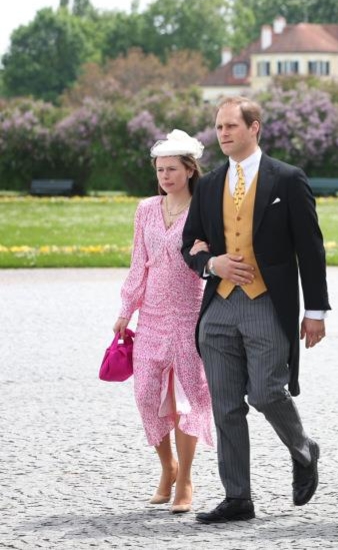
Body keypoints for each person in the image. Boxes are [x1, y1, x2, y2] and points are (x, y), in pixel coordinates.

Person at [181, 96, 330, 523]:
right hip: (219, 307)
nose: (223, 133)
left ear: (254, 128)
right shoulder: (208, 185)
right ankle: (238, 497)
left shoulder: (287, 179)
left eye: (231, 126)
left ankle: (304, 450)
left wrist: (316, 309)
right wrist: (212, 263)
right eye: (219, 126)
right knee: (226, 404)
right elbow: (189, 242)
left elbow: (311, 248)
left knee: (266, 391)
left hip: (267, 302)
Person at [113, 130, 214, 515]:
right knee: (146, 395)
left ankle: (186, 478)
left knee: (191, 396)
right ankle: (167, 467)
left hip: (191, 312)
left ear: (190, 170)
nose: (165, 176)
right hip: (151, 314)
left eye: (172, 169)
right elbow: (139, 262)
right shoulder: (146, 209)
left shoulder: (204, 209)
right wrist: (126, 309)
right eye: (160, 170)